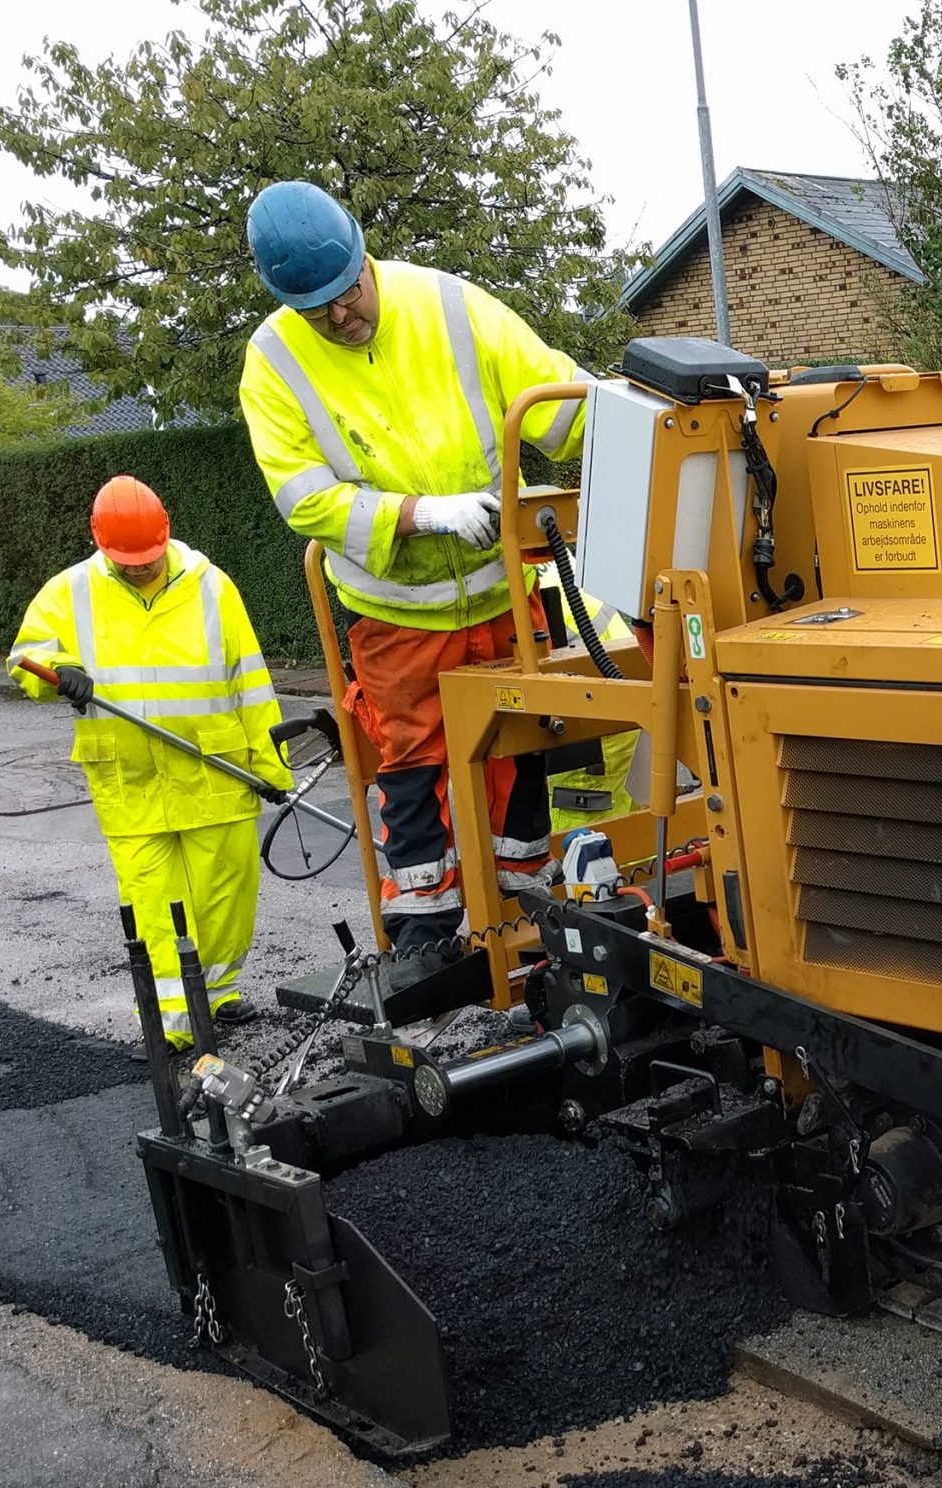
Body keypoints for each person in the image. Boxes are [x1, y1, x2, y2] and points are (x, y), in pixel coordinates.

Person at [237, 179, 623, 950]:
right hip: (395, 611)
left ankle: (527, 905)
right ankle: (426, 930)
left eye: (347, 295)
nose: (340, 318)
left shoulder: (449, 304)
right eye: (318, 311)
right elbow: (303, 497)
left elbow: (552, 398)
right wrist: (419, 515)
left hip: (506, 593)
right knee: (413, 765)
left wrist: (638, 423)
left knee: (528, 743)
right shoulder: (273, 362)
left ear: (362, 255)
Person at [7, 476, 282, 1049]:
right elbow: (23, 657)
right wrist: (58, 670)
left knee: (226, 895)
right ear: (101, 545)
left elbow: (250, 681)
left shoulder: (213, 587)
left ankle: (222, 991)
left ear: (166, 533)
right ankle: (173, 1027)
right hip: (130, 781)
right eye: (127, 562)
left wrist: (272, 766)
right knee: (154, 904)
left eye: (148, 559)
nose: (139, 569)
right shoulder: (69, 591)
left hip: (215, 771)